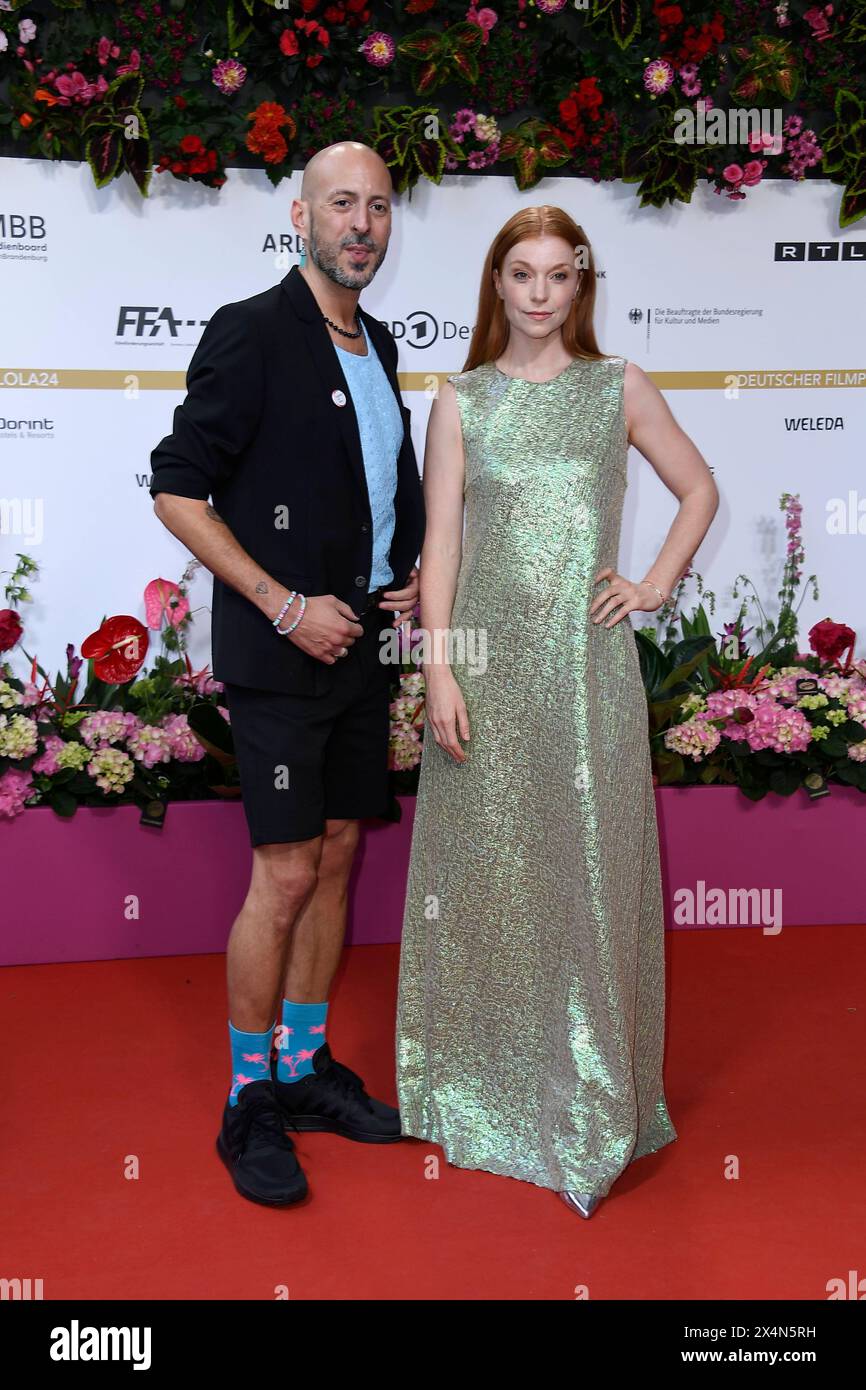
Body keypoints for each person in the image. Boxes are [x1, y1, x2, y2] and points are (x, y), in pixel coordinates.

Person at [395, 206, 719, 1218]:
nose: (538, 294)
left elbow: (697, 487)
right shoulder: (459, 401)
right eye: (520, 275)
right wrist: (439, 669)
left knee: (582, 873)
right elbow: (440, 548)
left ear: (580, 286)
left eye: (557, 277)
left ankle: (582, 1103)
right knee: (484, 881)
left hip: (585, 674)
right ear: (495, 285)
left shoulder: (614, 386)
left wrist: (655, 580)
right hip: (484, 673)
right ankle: (472, 1093)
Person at [150, 142, 424, 1207]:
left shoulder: (379, 339)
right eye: (342, 204)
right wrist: (280, 602)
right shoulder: (252, 331)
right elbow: (178, 488)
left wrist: (392, 576)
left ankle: (304, 1069)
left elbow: (365, 484)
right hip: (279, 656)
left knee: (343, 848)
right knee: (288, 872)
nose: (361, 224)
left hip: (359, 652)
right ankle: (247, 1096)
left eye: (379, 208)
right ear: (299, 213)